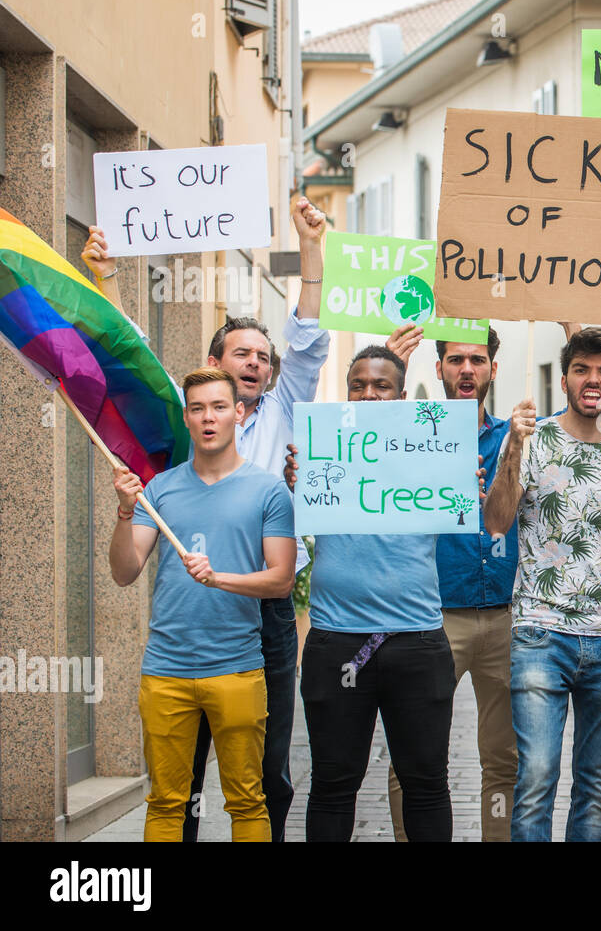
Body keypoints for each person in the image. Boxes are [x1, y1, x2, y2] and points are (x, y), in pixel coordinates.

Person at [83, 201, 331, 842]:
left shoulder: (285, 409)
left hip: (265, 617)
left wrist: (310, 248)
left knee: (265, 774)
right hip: (185, 615)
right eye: (240, 352)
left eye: (263, 357)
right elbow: (126, 354)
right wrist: (104, 278)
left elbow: (306, 333)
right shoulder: (182, 418)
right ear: (210, 375)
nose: (255, 362)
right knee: (179, 786)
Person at [483, 327, 601, 842]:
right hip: (540, 635)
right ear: (564, 378)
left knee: (599, 782)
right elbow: (497, 522)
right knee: (538, 777)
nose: (593, 380)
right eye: (582, 369)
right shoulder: (531, 439)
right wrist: (511, 453)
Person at [109, 368, 296, 841]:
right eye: (197, 409)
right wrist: (126, 511)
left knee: (247, 801)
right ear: (187, 419)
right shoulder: (160, 489)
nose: (208, 417)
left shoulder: (268, 490)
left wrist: (220, 578)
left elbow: (280, 579)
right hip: (166, 669)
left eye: (217, 407)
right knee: (166, 802)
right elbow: (125, 570)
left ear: (238, 413)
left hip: (237, 667)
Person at [282, 346, 458, 841]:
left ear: (401, 397)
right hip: (337, 641)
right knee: (334, 785)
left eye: (381, 385)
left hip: (416, 641)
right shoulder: (321, 453)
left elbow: (477, 513)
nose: (369, 393)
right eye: (358, 384)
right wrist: (299, 482)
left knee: (426, 784)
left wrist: (465, 487)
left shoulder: (435, 456)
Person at [382, 322, 520, 843]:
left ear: (492, 369)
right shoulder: (409, 430)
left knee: (504, 758)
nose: (467, 369)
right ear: (437, 367)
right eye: (456, 360)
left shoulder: (514, 436)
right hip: (429, 616)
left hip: (505, 616)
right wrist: (392, 364)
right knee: (414, 756)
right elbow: (361, 446)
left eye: (477, 360)